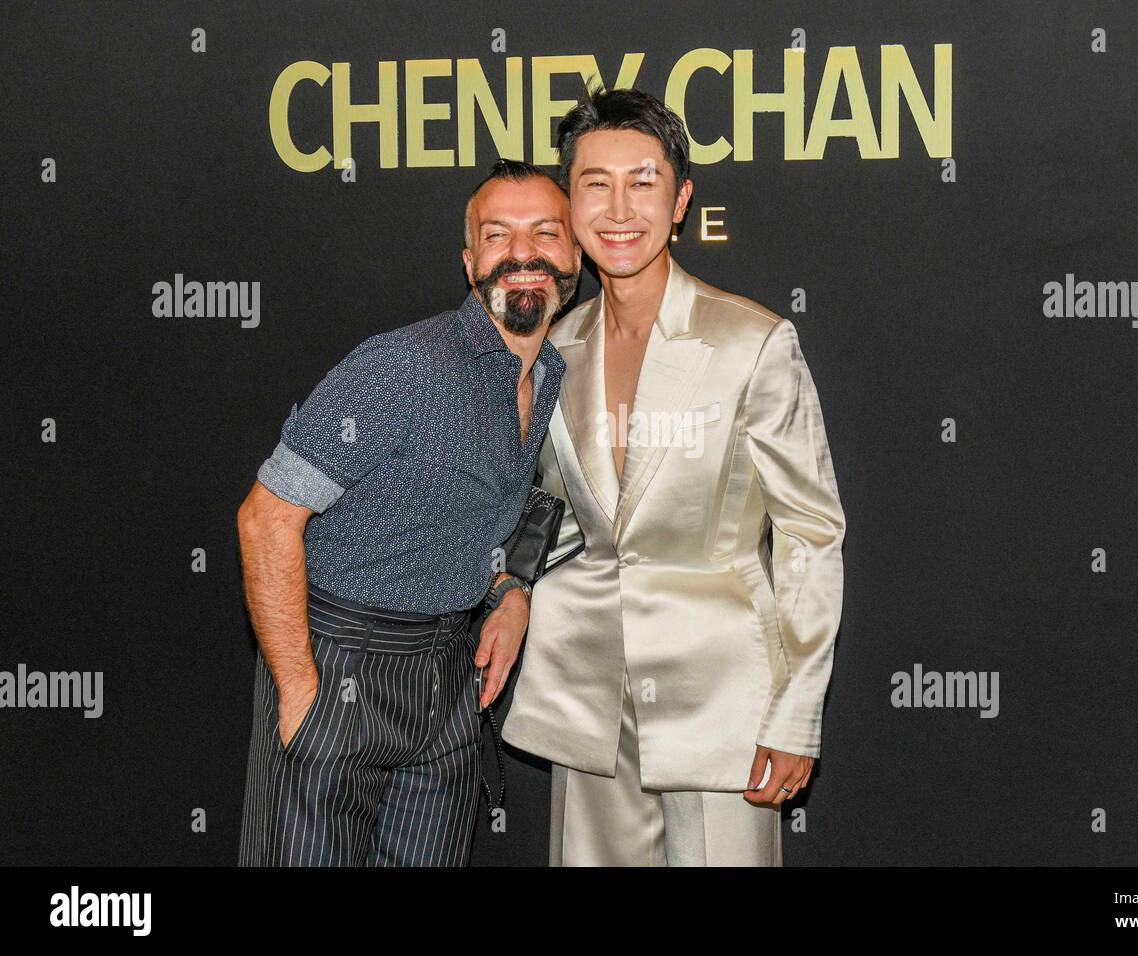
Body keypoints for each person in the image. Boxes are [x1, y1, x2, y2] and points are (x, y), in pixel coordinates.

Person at [501, 88, 846, 866]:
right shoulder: (555, 348)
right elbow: (550, 508)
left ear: (681, 198)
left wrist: (795, 714)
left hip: (719, 695)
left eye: (643, 181)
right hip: (586, 692)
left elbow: (810, 535)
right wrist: (511, 592)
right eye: (595, 183)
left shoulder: (751, 342)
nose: (619, 208)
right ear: (571, 200)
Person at [237, 159, 580, 866]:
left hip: (449, 684)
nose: (523, 253)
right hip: (339, 664)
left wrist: (508, 592)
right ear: (470, 262)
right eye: (498, 235)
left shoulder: (547, 375)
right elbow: (266, 518)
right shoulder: (402, 366)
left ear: (575, 256)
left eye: (546, 233)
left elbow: (470, 525)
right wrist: (301, 690)